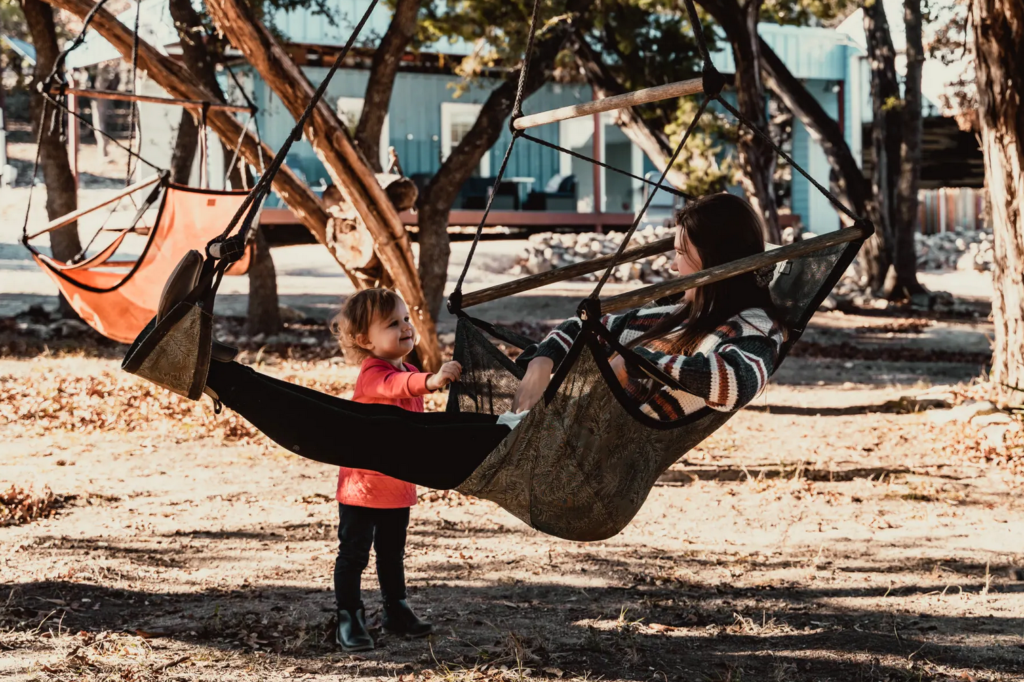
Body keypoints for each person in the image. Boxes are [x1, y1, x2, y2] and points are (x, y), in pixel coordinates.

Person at [153, 193, 786, 516]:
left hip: (575, 471)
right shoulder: (675, 308)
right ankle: (212, 369)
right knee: (366, 425)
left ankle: (209, 372)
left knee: (354, 435)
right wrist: (543, 359)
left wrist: (626, 365)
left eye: (682, 249)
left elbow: (734, 381)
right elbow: (582, 326)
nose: (673, 260)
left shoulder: (754, 325)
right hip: (531, 438)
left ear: (720, 257)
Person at [328, 288, 461, 651]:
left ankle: (395, 608)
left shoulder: (410, 369)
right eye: (392, 323)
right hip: (364, 485)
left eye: (405, 319)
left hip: (399, 482)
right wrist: (431, 381)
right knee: (353, 552)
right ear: (363, 340)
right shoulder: (373, 372)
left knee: (391, 552)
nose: (405, 327)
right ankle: (349, 617)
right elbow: (394, 388)